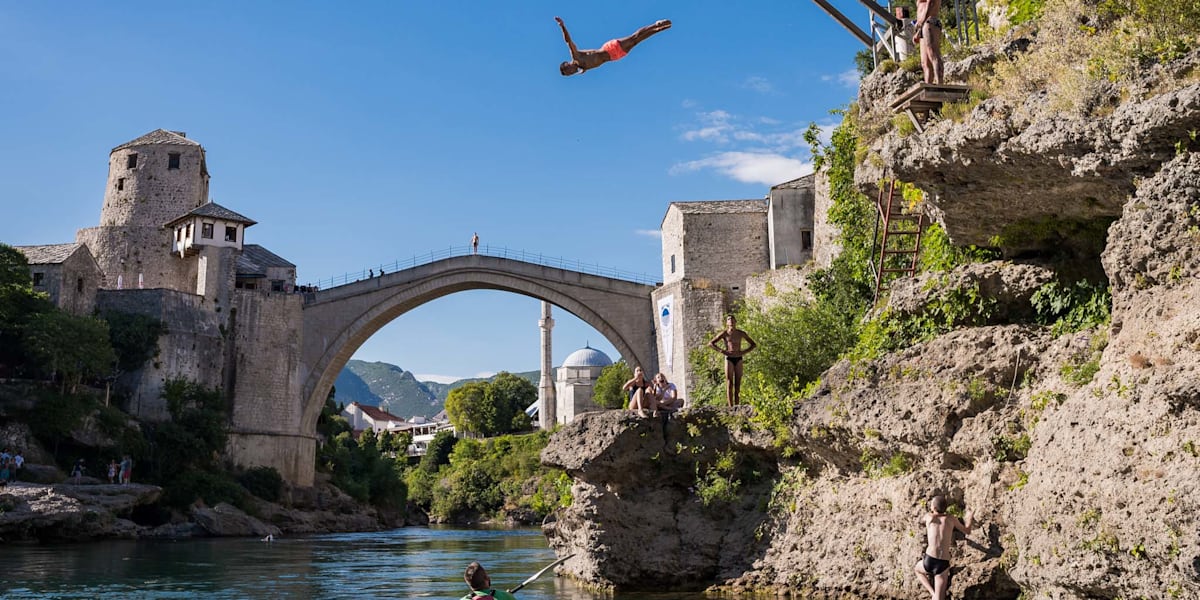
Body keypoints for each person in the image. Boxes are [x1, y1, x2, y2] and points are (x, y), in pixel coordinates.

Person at [555, 16, 671, 76]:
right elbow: (585, 68)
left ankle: (655, 25)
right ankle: (658, 30)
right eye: (570, 74)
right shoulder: (583, 69)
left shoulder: (576, 56)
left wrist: (562, 26)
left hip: (609, 48)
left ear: (567, 64)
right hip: (615, 57)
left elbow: (568, 41)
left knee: (633, 37)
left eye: (569, 71)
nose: (571, 73)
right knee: (636, 42)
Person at [913, 494, 976, 600]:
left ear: (933, 507)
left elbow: (920, 521)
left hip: (929, 560)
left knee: (917, 570)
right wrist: (969, 517)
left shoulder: (929, 517)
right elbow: (967, 531)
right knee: (939, 598)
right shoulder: (951, 519)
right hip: (942, 563)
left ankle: (932, 592)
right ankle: (935, 595)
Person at [708, 314, 757, 406]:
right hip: (729, 358)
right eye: (729, 319)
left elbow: (753, 344)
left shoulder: (740, 333)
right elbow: (711, 343)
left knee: (738, 382)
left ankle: (737, 405)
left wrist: (743, 352)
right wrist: (722, 351)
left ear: (735, 321)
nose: (731, 321)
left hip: (738, 358)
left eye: (732, 319)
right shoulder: (724, 333)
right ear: (727, 323)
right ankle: (731, 406)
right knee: (729, 382)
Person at [913, 0, 944, 84]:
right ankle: (928, 86)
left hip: (930, 21)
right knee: (925, 63)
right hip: (923, 25)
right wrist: (919, 29)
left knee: (933, 54)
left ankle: (940, 84)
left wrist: (921, 22)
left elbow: (931, 3)